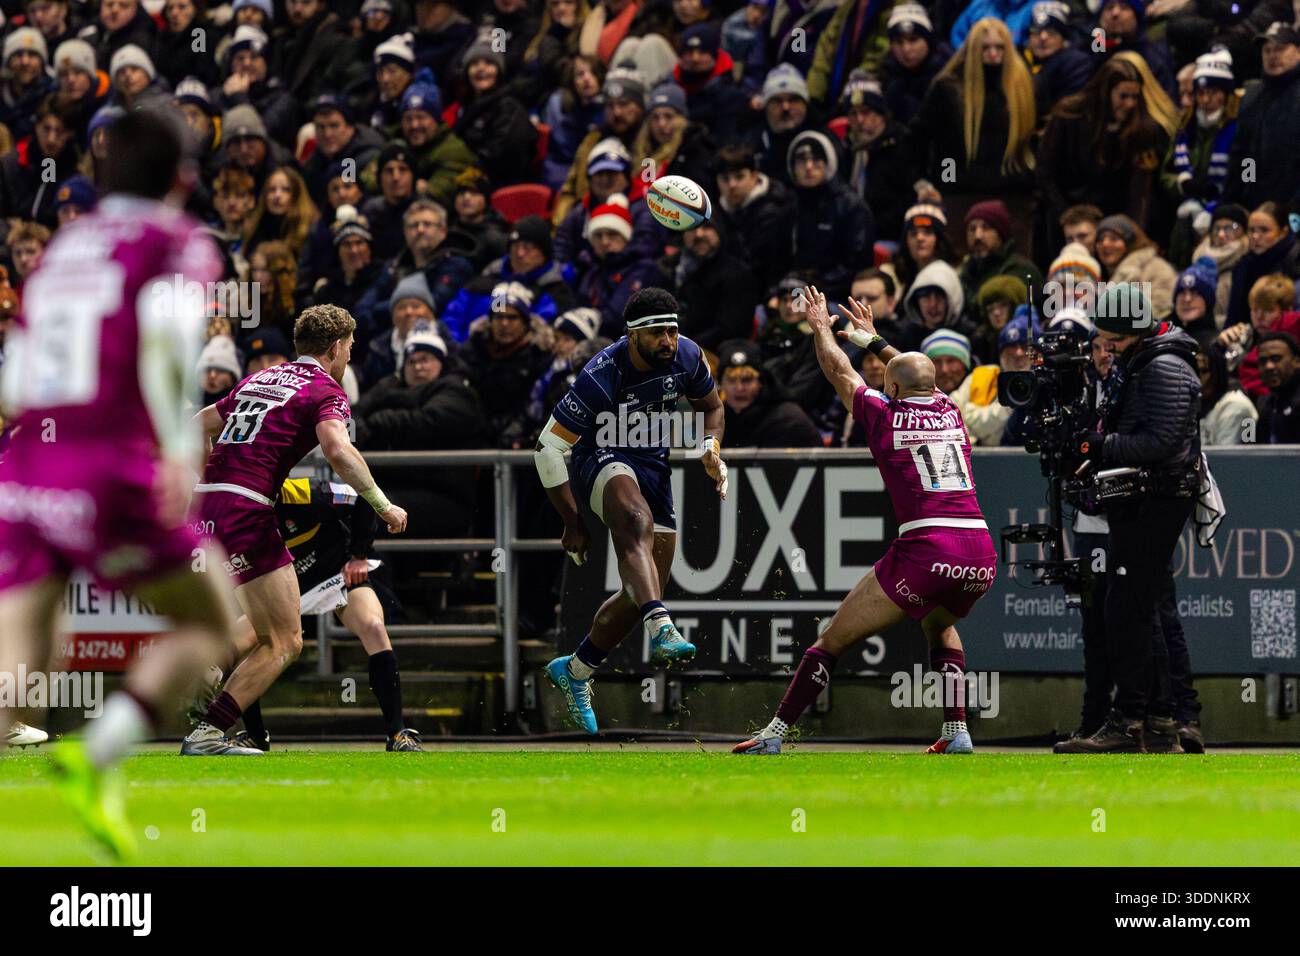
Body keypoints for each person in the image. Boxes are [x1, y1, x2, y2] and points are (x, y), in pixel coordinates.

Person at [0, 109, 238, 859]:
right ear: (184, 179)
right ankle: (99, 752)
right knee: (213, 623)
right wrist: (174, 449)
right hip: (109, 465)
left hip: (29, 465)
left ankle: (87, 761)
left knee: (18, 672)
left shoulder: (62, 245)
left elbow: (13, 376)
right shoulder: (175, 241)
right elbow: (168, 340)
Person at [733, 289, 997, 755]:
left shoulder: (884, 414)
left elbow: (839, 370)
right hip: (979, 553)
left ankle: (774, 735)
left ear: (891, 389)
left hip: (927, 547)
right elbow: (919, 372)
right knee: (940, 627)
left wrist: (821, 328)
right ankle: (958, 731)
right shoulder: (951, 410)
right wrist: (874, 339)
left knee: (831, 639)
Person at [183, 304, 409, 755]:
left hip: (209, 508)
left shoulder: (258, 378)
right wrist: (383, 505)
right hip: (248, 509)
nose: (348, 356)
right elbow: (339, 451)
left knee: (263, 636)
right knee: (286, 642)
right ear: (335, 348)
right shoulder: (325, 390)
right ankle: (207, 731)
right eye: (349, 346)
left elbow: (195, 425)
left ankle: (210, 705)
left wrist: (202, 482)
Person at [534, 288, 726, 733]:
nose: (669, 341)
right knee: (636, 524)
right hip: (598, 458)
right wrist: (572, 521)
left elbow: (712, 408)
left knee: (643, 588)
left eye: (673, 331)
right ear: (632, 335)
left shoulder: (690, 357)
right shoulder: (602, 374)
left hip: (652, 466)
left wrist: (711, 448)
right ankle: (662, 627)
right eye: (658, 332)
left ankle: (577, 670)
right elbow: (547, 447)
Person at [1070, 282, 1201, 752]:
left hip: (1158, 498)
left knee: (1130, 608)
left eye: (1113, 339)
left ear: (1135, 332)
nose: (1107, 348)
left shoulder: (1162, 365)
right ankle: (1160, 721)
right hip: (1150, 497)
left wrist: (1099, 445)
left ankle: (1131, 722)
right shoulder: (1149, 360)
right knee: (1135, 607)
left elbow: (1163, 443)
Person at [200, 476, 423, 753]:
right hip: (284, 589)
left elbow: (362, 496)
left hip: (335, 574)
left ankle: (398, 732)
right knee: (237, 646)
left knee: (374, 627)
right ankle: (255, 736)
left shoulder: (304, 493)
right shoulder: (238, 518)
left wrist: (359, 555)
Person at [714, 338, 823, 447]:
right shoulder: (717, 418)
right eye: (731, 380)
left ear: (760, 382)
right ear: (720, 384)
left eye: (747, 380)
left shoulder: (787, 420)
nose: (739, 388)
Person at [1257, 331, 1300, 443]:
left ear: (1297, 361)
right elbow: (1248, 448)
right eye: (1263, 361)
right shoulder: (1264, 404)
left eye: (1276, 359)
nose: (1268, 366)